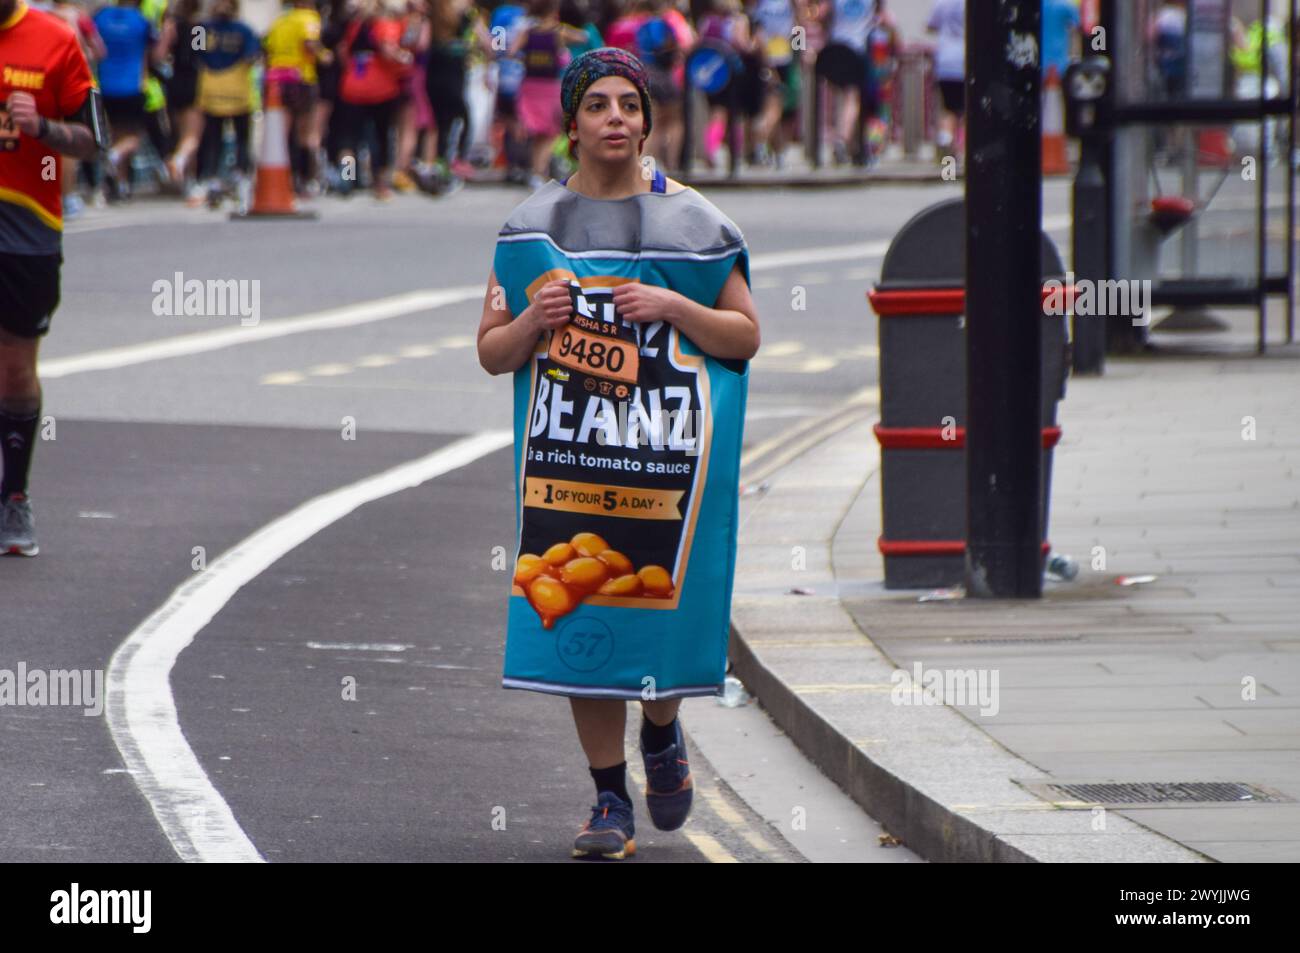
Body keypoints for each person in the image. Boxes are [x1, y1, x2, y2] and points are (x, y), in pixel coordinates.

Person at [477, 47, 760, 860]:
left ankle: (662, 733)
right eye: (597, 105)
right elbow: (493, 351)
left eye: (629, 106)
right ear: (571, 123)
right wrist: (535, 322)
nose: (615, 119)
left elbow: (745, 337)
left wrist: (673, 303)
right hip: (571, 467)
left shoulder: (697, 225)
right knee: (578, 621)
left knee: (660, 616)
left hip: (666, 467)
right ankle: (609, 799)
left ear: (647, 121)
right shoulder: (530, 229)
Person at [0, 0, 100, 556]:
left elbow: (92, 138)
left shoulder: (55, 40)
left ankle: (13, 496)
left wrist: (41, 128)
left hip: (26, 231)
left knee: (15, 371)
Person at [336, 0, 412, 199]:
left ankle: (348, 178)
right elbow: (388, 51)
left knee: (349, 138)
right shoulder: (383, 26)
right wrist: (404, 58)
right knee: (380, 137)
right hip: (381, 89)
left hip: (352, 87)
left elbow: (343, 53)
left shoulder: (354, 27)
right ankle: (380, 184)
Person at [507, 0, 587, 189]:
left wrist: (526, 57)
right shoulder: (558, 32)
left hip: (529, 84)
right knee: (550, 132)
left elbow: (510, 52)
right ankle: (538, 172)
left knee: (537, 132)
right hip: (549, 87)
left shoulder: (527, 32)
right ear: (553, 10)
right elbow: (583, 37)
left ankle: (535, 171)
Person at [194, 0, 260, 207]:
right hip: (236, 91)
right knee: (238, 138)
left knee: (214, 139)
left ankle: (215, 179)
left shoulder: (202, 29)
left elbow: (196, 56)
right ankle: (238, 179)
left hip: (213, 92)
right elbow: (252, 57)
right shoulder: (244, 30)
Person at [92, 0, 156, 200]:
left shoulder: (100, 17)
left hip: (106, 84)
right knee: (133, 138)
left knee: (114, 134)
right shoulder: (141, 21)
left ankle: (120, 184)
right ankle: (114, 156)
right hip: (132, 86)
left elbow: (95, 48)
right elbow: (156, 54)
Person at [265, 0, 326, 194]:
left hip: (277, 79)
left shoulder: (279, 21)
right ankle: (304, 178)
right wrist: (325, 55)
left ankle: (284, 177)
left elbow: (268, 48)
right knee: (306, 133)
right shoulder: (309, 18)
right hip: (301, 78)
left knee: (283, 132)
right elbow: (309, 43)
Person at [926, 0, 964, 164]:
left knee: (947, 109)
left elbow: (930, 26)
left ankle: (945, 141)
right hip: (965, 60)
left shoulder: (941, 2)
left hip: (945, 60)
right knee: (965, 110)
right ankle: (959, 149)